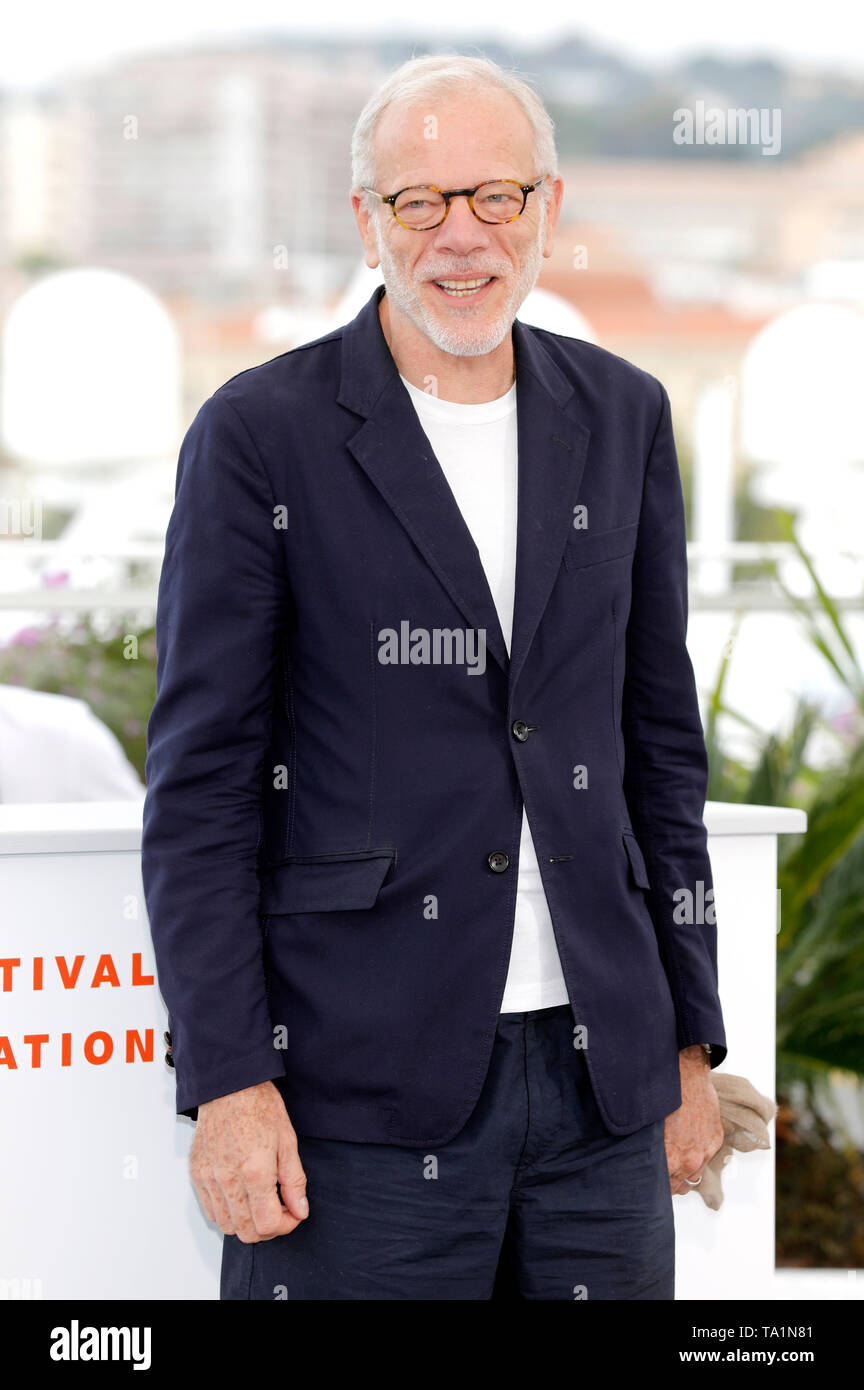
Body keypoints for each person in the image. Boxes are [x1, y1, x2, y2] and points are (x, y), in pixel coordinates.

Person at [142, 53, 726, 1301]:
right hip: (353, 1093)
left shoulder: (624, 417)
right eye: (420, 201)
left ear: (547, 210)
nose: (462, 235)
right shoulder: (261, 436)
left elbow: (660, 747)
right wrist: (230, 1080)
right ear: (367, 223)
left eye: (495, 196)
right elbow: (201, 792)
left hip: (602, 1095)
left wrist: (686, 1036)